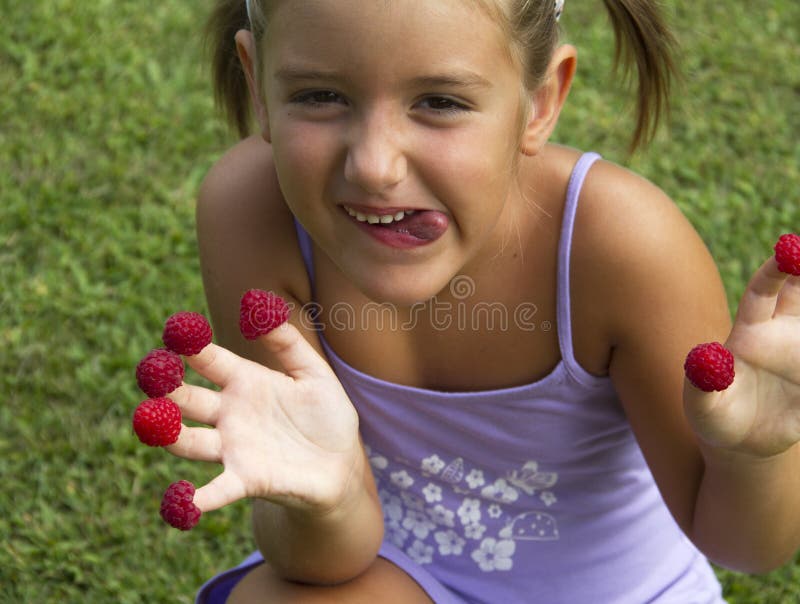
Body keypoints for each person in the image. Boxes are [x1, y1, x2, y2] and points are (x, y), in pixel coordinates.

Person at [162, 0, 800, 602]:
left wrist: (750, 452)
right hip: (392, 573)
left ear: (540, 102)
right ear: (257, 83)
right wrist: (327, 498)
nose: (375, 166)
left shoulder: (620, 247)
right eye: (320, 96)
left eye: (440, 102)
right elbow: (319, 562)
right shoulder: (252, 211)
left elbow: (743, 544)